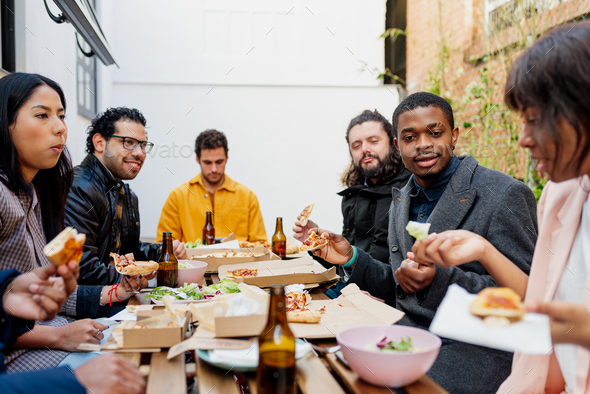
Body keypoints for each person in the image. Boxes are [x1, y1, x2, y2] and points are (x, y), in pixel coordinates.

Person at [311, 92, 538, 394]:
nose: (423, 144)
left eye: (435, 132)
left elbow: (526, 300)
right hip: (407, 340)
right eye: (409, 137)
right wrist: (351, 257)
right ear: (397, 145)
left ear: (454, 135)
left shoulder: (504, 194)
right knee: (323, 367)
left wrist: (437, 280)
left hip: (475, 353)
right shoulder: (402, 197)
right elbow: (400, 286)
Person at [412, 21, 590, 394]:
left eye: (534, 121)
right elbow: (543, 316)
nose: (524, 139)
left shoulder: (506, 192)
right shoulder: (560, 197)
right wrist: (483, 250)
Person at [0, 72, 123, 372]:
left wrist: (115, 292)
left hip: (59, 334)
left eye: (62, 116)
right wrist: (57, 336)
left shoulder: (36, 193)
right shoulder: (7, 195)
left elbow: (50, 291)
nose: (60, 129)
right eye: (42, 115)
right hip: (22, 360)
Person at [65, 107, 187, 317]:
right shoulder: (78, 188)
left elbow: (128, 251)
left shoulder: (126, 193)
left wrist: (162, 252)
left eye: (142, 144)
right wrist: (140, 273)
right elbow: (81, 269)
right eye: (128, 142)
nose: (139, 153)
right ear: (100, 143)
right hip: (88, 311)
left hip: (121, 301)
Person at [293, 110, 411, 299]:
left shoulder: (411, 189)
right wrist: (318, 244)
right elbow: (343, 261)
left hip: (392, 298)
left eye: (373, 141)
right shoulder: (351, 195)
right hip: (349, 291)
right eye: (356, 145)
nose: (365, 149)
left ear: (393, 143)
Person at [1, 263, 145, 394]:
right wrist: (71, 381)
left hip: (62, 331)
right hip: (25, 359)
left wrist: (116, 292)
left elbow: (54, 292)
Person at [156, 129, 267, 243]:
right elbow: (164, 245)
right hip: (191, 261)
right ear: (197, 159)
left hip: (240, 261)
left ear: (227, 158)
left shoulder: (247, 196)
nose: (214, 169)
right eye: (208, 163)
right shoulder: (178, 196)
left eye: (219, 162)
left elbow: (260, 244)